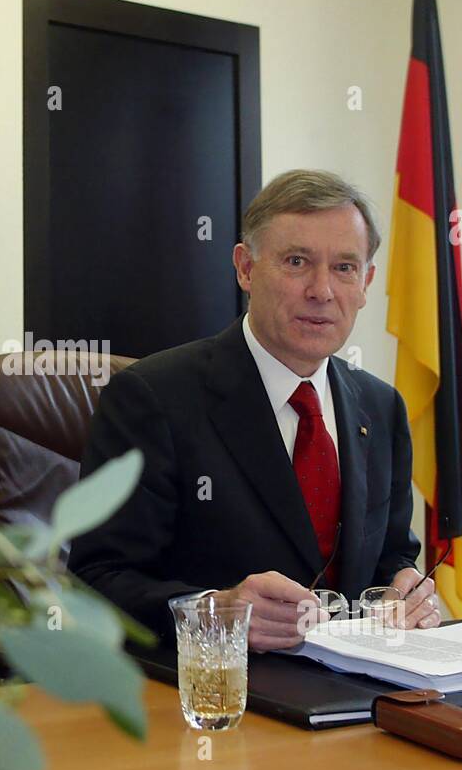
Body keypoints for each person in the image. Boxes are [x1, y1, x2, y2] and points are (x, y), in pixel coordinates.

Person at [68, 169, 440, 651]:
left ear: (366, 282)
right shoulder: (152, 397)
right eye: (297, 261)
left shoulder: (381, 406)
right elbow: (95, 581)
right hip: (212, 696)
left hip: (354, 697)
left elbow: (391, 555)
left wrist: (405, 591)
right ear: (246, 268)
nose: (322, 290)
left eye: (344, 268)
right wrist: (214, 611)